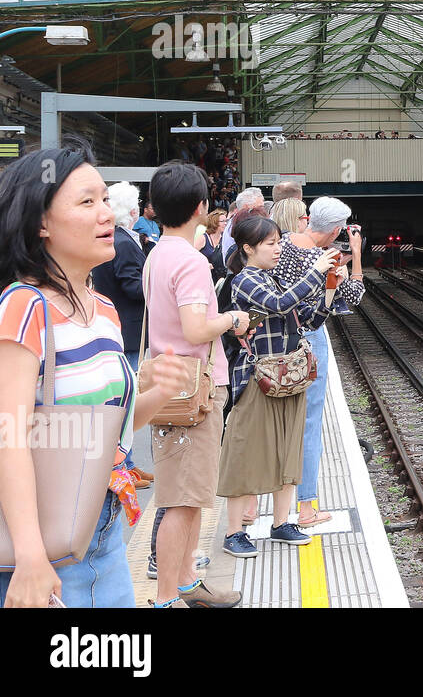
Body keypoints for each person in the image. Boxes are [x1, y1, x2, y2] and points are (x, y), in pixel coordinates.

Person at [0, 144, 190, 608]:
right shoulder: (24, 308)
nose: (107, 213)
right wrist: (30, 557)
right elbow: (9, 436)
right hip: (46, 543)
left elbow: (109, 430)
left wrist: (158, 392)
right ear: (41, 222)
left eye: (106, 199)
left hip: (102, 532)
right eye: (87, 202)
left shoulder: (103, 310)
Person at [145, 162, 250, 608]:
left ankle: (188, 583)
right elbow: (193, 329)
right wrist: (232, 318)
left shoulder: (157, 253)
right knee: (184, 501)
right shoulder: (188, 260)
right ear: (201, 207)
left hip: (175, 387)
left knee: (187, 496)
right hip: (194, 392)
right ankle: (167, 597)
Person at [218, 217, 340, 555]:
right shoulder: (244, 281)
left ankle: (282, 523)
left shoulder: (271, 278)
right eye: (270, 243)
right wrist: (315, 272)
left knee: (289, 449)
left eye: (277, 242)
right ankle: (233, 532)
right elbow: (278, 305)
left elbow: (310, 320)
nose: (278, 248)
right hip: (258, 378)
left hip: (289, 375)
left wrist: (328, 290)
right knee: (246, 452)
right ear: (247, 248)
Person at [282, 197, 365, 527]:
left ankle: (248, 508)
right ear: (334, 230)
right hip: (308, 341)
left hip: (276, 338)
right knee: (309, 423)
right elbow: (353, 298)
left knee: (278, 420)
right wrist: (355, 255)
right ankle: (306, 507)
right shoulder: (324, 259)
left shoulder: (283, 243)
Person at [90, 182, 151, 488]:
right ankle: (123, 465)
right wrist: (155, 283)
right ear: (132, 211)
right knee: (124, 401)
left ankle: (128, 464)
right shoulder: (125, 242)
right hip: (127, 330)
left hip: (120, 327)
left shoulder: (114, 239)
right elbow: (131, 285)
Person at [222, 187, 266, 262]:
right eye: (260, 207)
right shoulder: (239, 225)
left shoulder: (234, 222)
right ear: (246, 207)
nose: (263, 211)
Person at [198, 209, 226, 283]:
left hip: (220, 278)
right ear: (215, 222)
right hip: (205, 278)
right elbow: (190, 255)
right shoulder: (204, 238)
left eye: (226, 221)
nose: (225, 223)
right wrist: (204, 264)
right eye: (222, 221)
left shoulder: (224, 239)